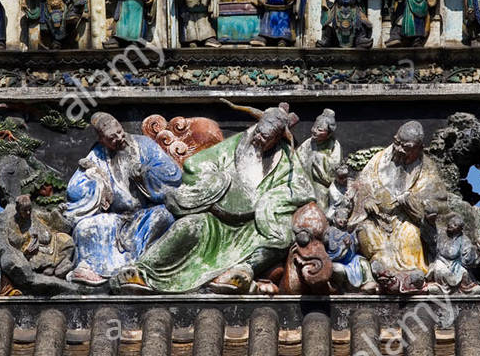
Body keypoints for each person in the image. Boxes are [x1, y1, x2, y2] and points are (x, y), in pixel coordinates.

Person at [120, 103, 315, 294]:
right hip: (216, 219)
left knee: (281, 236)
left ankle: (243, 270)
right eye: (258, 132)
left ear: (277, 139)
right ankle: (143, 271)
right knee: (188, 226)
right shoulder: (236, 144)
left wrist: (271, 199)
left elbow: (303, 189)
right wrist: (218, 181)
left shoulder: (286, 158)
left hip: (254, 224)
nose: (259, 139)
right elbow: (197, 163)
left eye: (266, 137)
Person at [64, 112, 182, 287]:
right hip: (115, 217)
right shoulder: (97, 155)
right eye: (112, 138)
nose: (119, 138)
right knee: (84, 228)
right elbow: (75, 187)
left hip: (144, 214)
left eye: (120, 131)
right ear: (102, 139)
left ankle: (143, 266)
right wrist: (96, 182)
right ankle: (89, 268)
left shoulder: (143, 145)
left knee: (164, 216)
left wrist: (146, 173)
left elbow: (172, 173)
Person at [351, 120, 450, 293]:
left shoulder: (427, 169)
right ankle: (381, 272)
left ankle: (413, 277)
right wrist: (366, 200)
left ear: (419, 147)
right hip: (377, 219)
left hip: (406, 219)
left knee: (410, 235)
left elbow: (435, 201)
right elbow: (361, 185)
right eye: (397, 143)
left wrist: (411, 203)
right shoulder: (379, 159)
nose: (399, 149)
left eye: (407, 147)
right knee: (366, 231)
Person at [296, 108, 341, 207]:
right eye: (314, 127)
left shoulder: (333, 145)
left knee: (320, 201)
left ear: (329, 134)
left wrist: (317, 157)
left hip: (320, 182)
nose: (315, 131)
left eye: (320, 130)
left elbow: (335, 165)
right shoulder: (308, 143)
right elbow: (297, 159)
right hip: (303, 180)